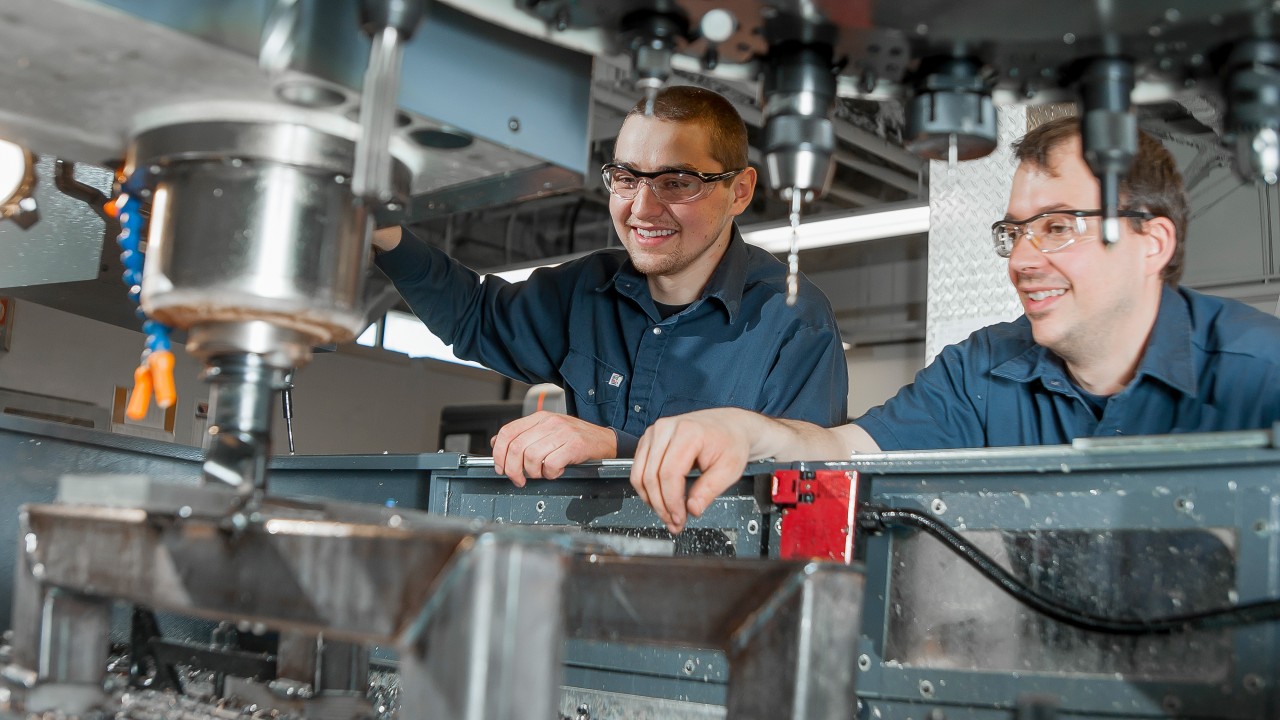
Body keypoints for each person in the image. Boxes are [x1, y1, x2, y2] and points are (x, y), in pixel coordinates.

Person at [631, 115, 1280, 534]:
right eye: (1015, 233)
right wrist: (740, 429)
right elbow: (846, 451)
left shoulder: (1260, 377)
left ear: (1152, 243)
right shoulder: (983, 372)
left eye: (1058, 227)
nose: (1024, 260)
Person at [372, 85, 848, 486]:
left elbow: (801, 484)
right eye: (626, 178)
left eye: (677, 183)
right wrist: (385, 235)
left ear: (739, 191)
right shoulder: (587, 289)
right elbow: (472, 314)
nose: (641, 208)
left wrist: (612, 446)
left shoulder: (792, 320)